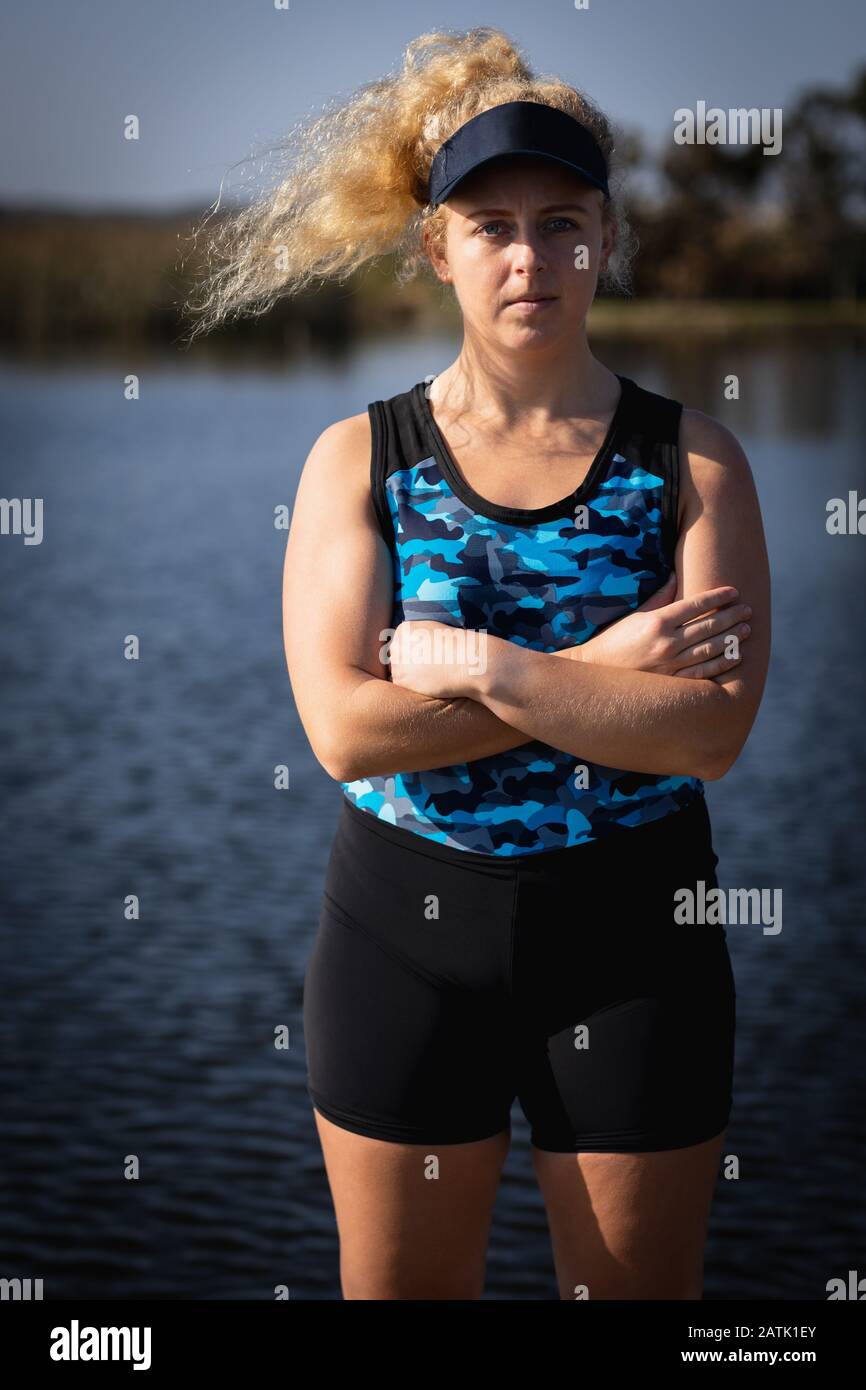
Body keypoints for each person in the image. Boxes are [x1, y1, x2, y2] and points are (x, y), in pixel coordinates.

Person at [186, 28, 771, 1300]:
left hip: (636, 943)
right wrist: (601, 669)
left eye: (562, 223)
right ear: (434, 247)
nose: (528, 257)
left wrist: (486, 670)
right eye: (490, 225)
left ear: (606, 241)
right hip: (403, 939)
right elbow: (347, 733)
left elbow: (704, 736)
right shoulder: (360, 460)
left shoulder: (695, 463)